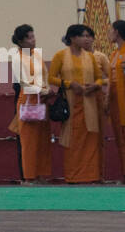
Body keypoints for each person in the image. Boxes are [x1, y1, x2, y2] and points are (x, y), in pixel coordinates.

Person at [48, 25, 104, 184]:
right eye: (83, 36)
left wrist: (95, 85)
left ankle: (91, 176)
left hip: (89, 103)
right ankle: (74, 177)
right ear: (72, 38)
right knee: (73, 140)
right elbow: (51, 78)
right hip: (71, 104)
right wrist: (69, 84)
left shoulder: (90, 57)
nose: (87, 39)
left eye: (88, 36)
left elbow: (99, 78)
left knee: (90, 138)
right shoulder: (60, 56)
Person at [10, 25, 51, 183]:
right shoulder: (18, 58)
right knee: (28, 142)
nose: (33, 40)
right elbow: (23, 83)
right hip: (27, 102)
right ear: (21, 41)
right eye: (29, 38)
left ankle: (41, 175)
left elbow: (45, 76)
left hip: (41, 102)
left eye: (33, 36)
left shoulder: (37, 56)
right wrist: (41, 90)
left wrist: (46, 89)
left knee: (42, 141)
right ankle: (29, 177)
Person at [108, 21, 125, 180]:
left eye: (111, 30)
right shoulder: (114, 54)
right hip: (115, 101)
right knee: (120, 138)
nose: (109, 34)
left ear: (117, 32)